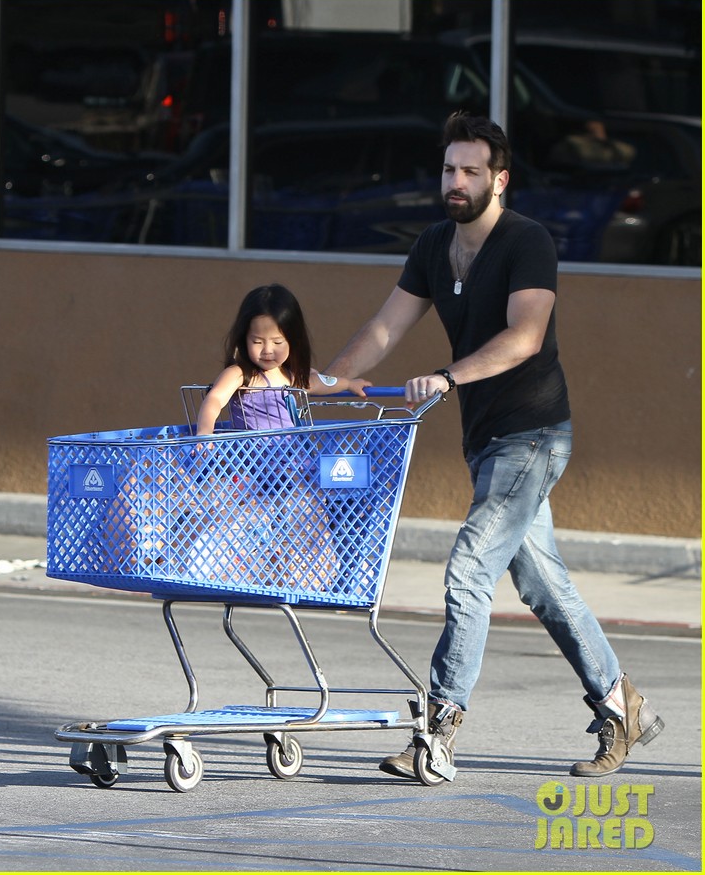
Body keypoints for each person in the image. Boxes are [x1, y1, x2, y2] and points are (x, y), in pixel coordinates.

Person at [324, 112, 664, 780]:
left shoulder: (525, 241)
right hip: (486, 440)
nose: (456, 181)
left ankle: (438, 728)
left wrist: (448, 376)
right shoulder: (434, 245)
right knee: (544, 585)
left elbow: (525, 336)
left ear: (499, 179)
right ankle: (623, 707)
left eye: (471, 171)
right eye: (449, 169)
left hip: (533, 434)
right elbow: (385, 328)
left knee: (470, 571)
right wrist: (326, 381)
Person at [197, 283, 368, 435]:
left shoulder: (290, 375)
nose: (267, 350)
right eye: (257, 342)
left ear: (293, 341)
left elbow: (319, 383)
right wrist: (204, 433)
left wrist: (348, 384)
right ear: (244, 339)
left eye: (277, 342)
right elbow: (215, 399)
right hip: (252, 457)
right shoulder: (239, 374)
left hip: (289, 455)